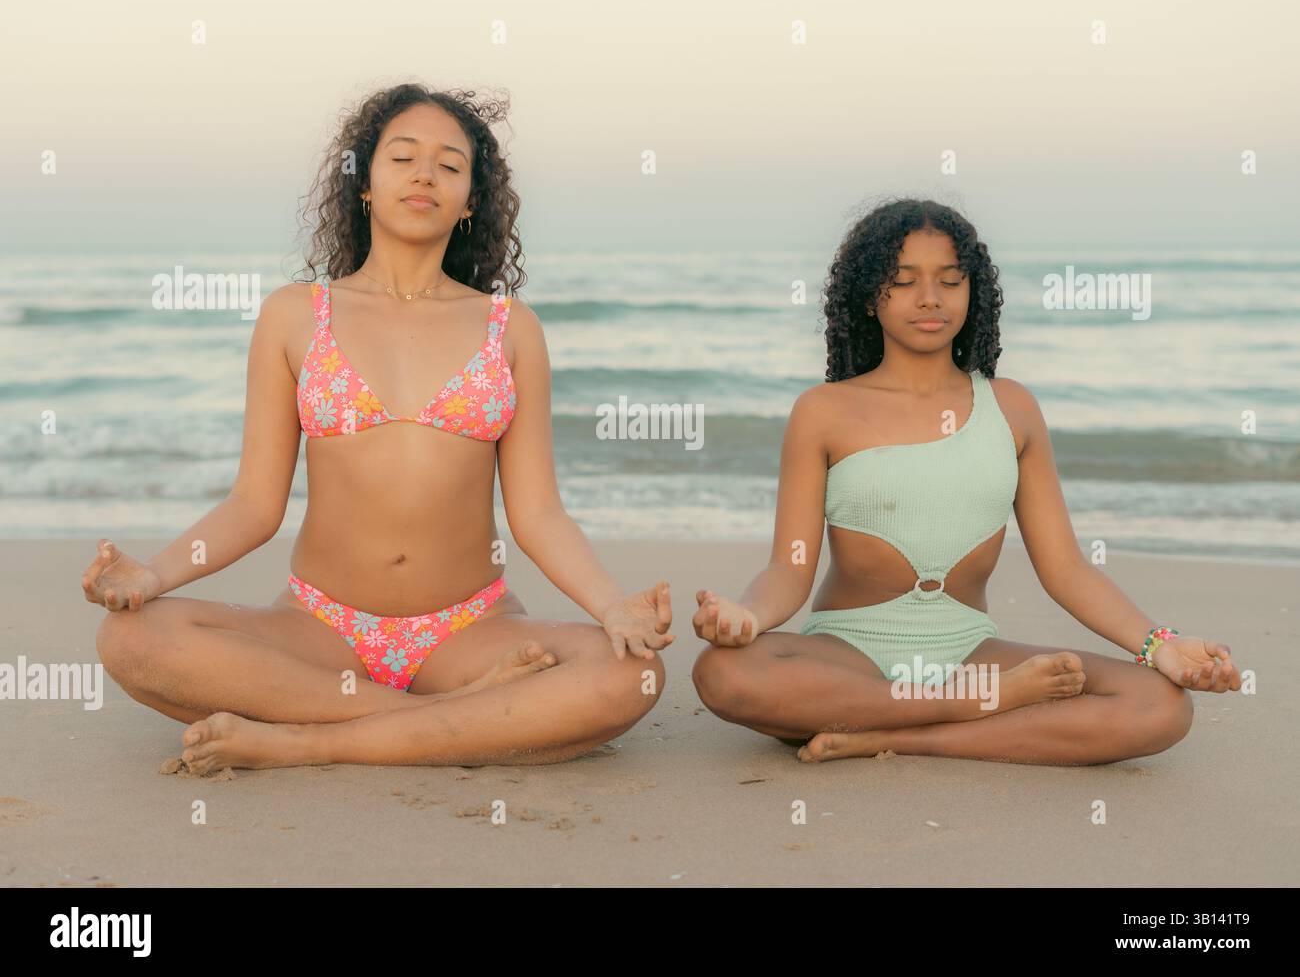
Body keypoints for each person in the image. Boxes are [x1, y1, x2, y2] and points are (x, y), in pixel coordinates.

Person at [86, 85, 673, 773]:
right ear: (363, 184)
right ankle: (448, 723)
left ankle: (310, 739)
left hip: (468, 631)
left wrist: (613, 610)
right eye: (403, 158)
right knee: (130, 640)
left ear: (473, 200)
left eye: (451, 166)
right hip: (318, 629)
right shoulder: (295, 316)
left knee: (631, 675)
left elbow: (538, 513)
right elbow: (254, 504)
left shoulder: (510, 329)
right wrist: (151, 577)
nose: (425, 174)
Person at [690, 198, 1240, 766]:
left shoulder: (1012, 408)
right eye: (903, 282)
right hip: (847, 657)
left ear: (973, 290)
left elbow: (1067, 568)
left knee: (1158, 704)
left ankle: (896, 734)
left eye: (950, 280)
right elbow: (789, 566)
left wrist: (1162, 647)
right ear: (868, 296)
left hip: (967, 652)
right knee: (723, 671)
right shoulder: (823, 411)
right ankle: (968, 706)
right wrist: (749, 616)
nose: (930, 298)